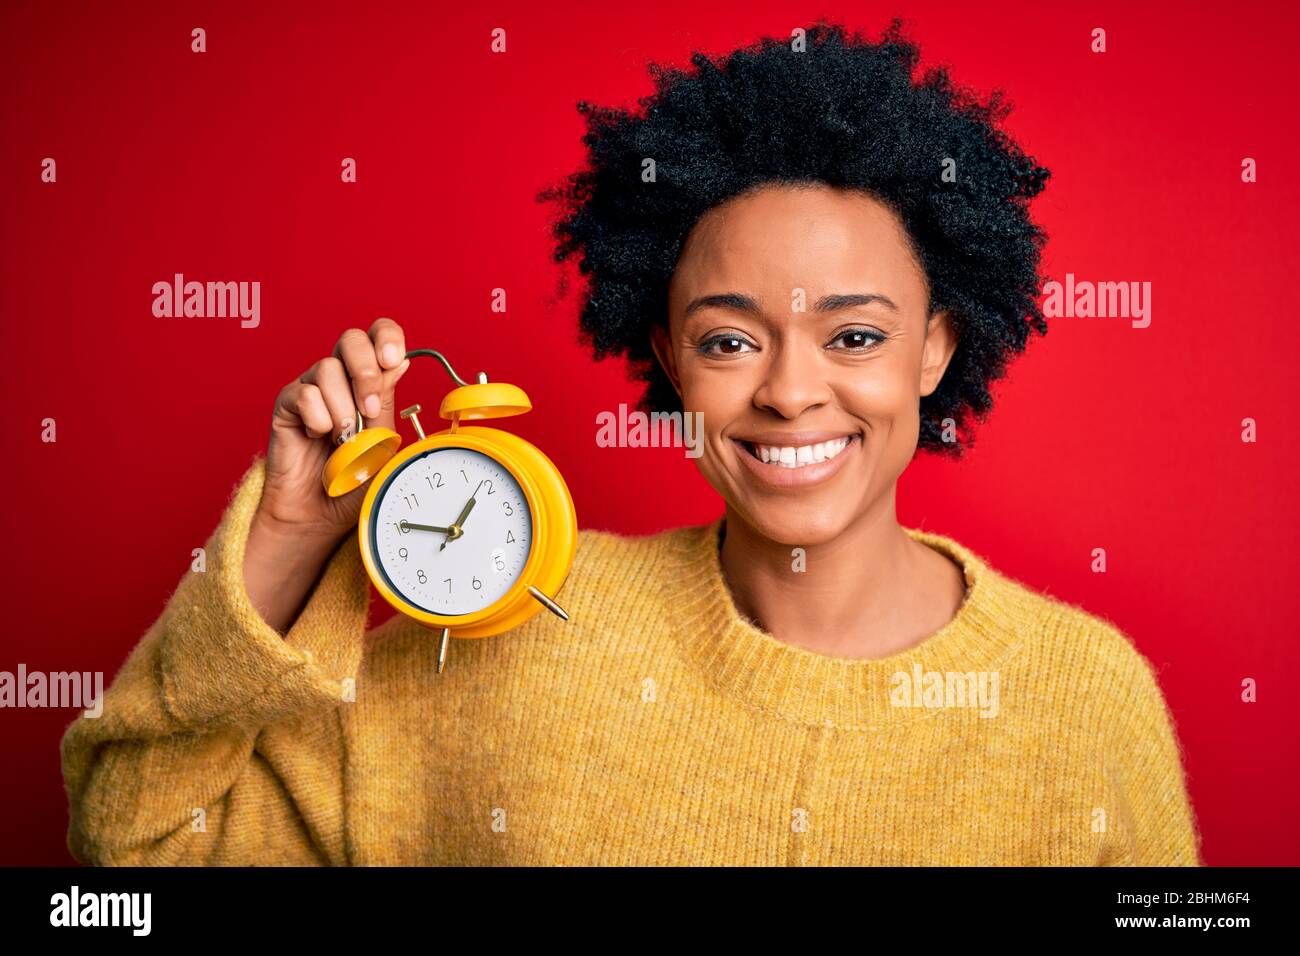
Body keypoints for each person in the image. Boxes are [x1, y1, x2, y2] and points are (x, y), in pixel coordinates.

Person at [61, 20, 1200, 865]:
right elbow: (143, 848)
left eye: (853, 333)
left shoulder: (1081, 700)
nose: (791, 393)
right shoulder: (511, 626)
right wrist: (286, 544)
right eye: (728, 339)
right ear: (665, 357)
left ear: (935, 351)